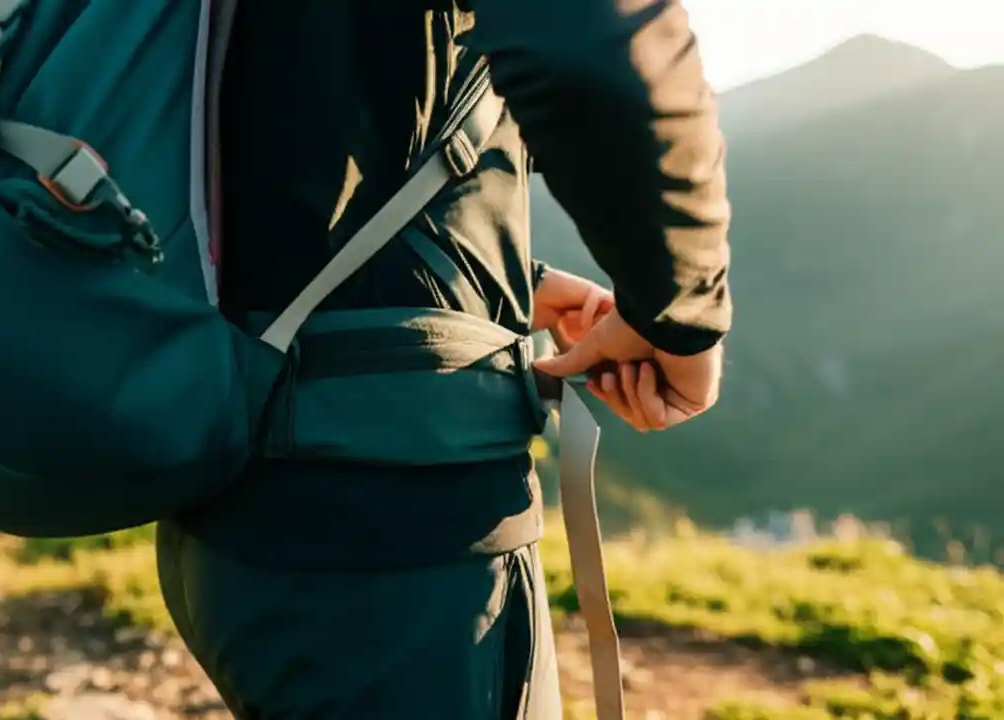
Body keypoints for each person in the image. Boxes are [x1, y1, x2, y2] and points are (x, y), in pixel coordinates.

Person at [156, 0, 732, 717]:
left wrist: (503, 281)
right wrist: (682, 314)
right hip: (399, 525)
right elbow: (591, 50)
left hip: (223, 506)